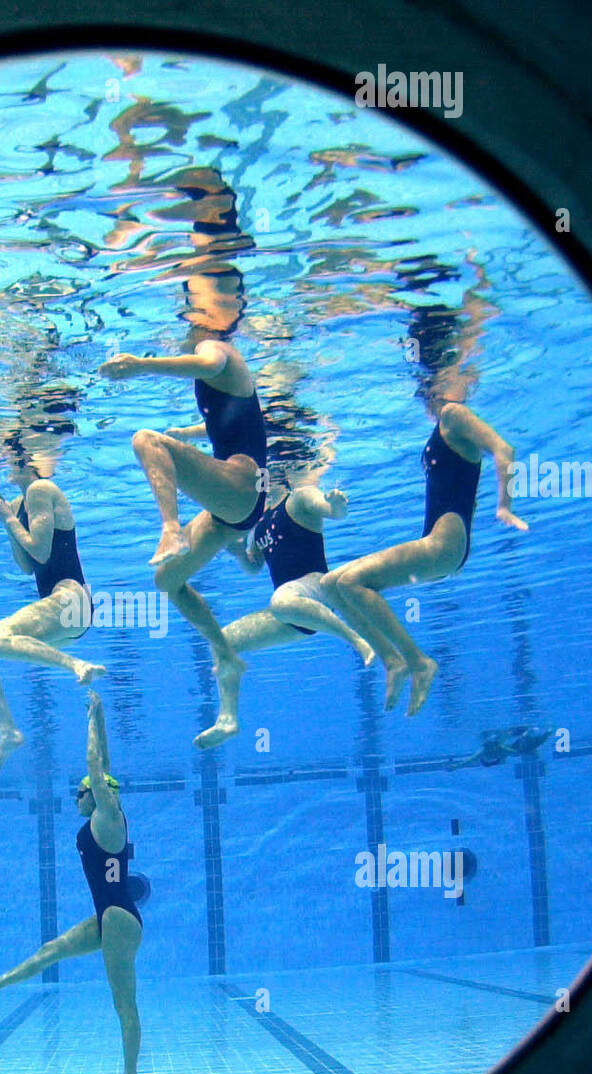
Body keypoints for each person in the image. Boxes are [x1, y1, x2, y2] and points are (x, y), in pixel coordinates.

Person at [318, 270, 529, 717]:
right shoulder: (446, 419)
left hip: (444, 545)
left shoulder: (454, 413)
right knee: (333, 585)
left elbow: (503, 448)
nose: (423, 395)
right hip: (442, 546)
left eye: (426, 384)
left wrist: (505, 505)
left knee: (349, 582)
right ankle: (397, 661)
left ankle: (413, 661)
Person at [0, 691, 145, 1074]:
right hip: (108, 916)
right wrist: (101, 716)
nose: (75, 797)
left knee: (123, 1006)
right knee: (51, 950)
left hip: (118, 919)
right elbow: (105, 769)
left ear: (96, 795)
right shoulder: (105, 814)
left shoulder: (108, 815)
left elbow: (97, 768)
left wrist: (92, 716)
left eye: (80, 792)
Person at [99, 271, 267, 701]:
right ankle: (226, 651)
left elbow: (209, 363)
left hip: (242, 485)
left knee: (146, 440)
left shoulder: (215, 344)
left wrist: (141, 365)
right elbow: (235, 422)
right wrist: (193, 433)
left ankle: (170, 528)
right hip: (238, 499)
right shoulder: (224, 375)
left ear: (201, 320)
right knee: (165, 583)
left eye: (187, 317)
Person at [196, 480, 375, 748]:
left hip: (317, 590)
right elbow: (254, 565)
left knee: (280, 600)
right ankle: (227, 719)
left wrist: (336, 505)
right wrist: (237, 553)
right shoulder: (257, 522)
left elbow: (330, 510)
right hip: (291, 608)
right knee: (222, 641)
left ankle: (357, 640)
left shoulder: (300, 498)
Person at [0, 446, 104, 770]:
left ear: (25, 460)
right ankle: (8, 730)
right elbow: (27, 566)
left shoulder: (42, 489)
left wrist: (10, 520)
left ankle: (77, 665)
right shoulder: (19, 503)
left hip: (71, 600)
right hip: (56, 605)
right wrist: (9, 521)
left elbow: (40, 552)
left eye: (4, 455)